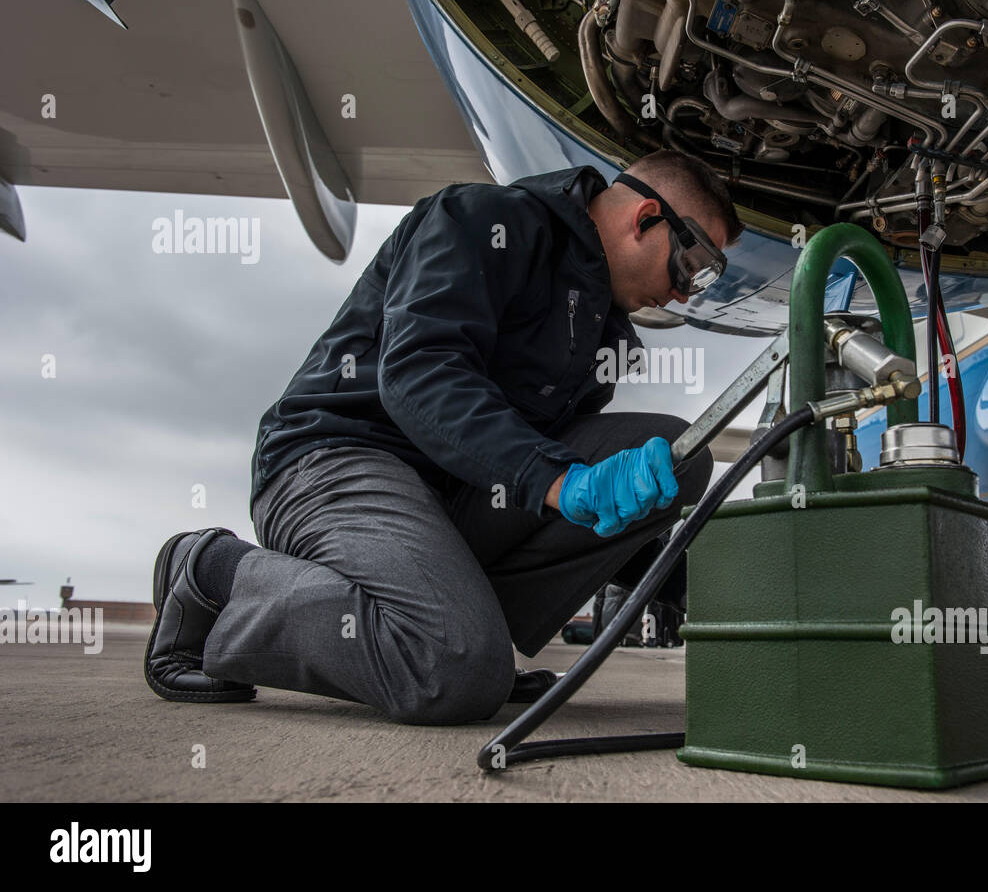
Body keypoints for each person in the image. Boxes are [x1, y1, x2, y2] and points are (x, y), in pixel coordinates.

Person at [143, 149, 741, 724]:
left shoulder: (600, 331)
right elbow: (419, 375)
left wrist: (707, 591)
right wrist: (558, 478)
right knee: (448, 670)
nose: (686, 293)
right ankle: (213, 575)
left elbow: (582, 514)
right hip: (337, 459)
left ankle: (458, 621)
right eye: (693, 266)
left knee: (677, 453)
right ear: (645, 218)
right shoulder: (486, 218)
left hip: (451, 494)